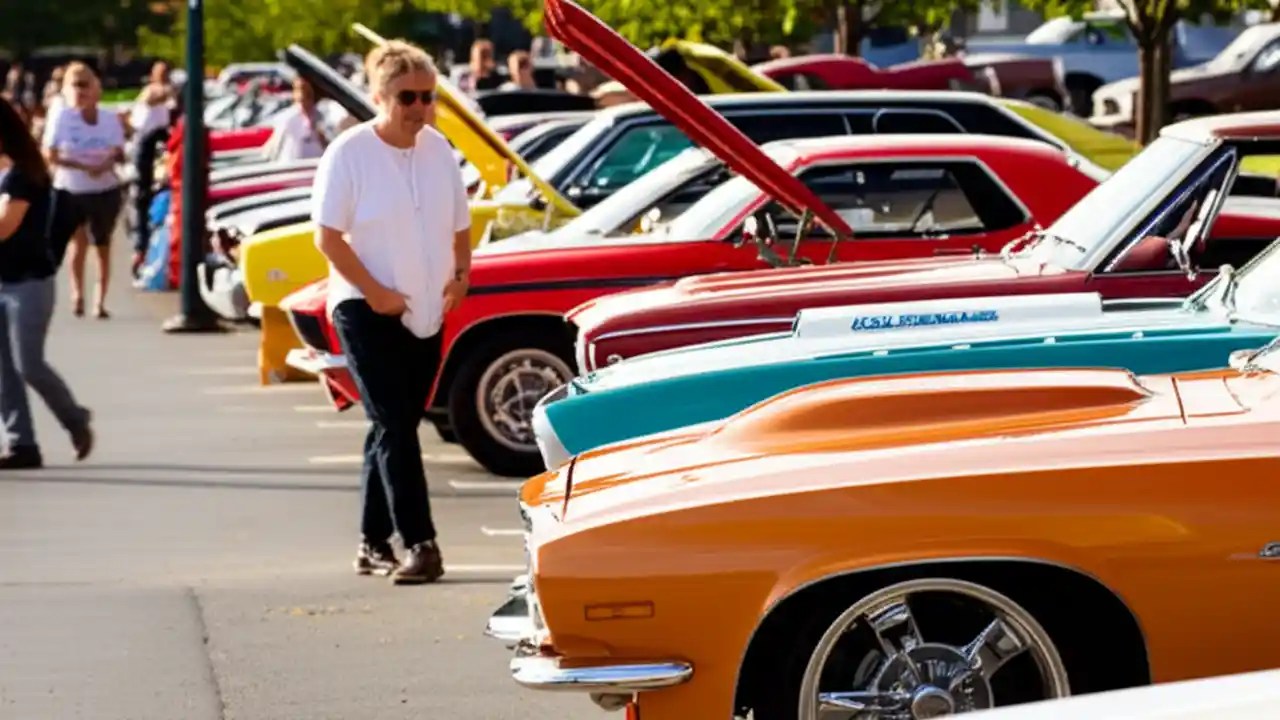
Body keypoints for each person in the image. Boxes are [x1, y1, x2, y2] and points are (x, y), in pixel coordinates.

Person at [311, 39, 471, 585]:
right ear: (380, 96)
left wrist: (461, 276)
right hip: (365, 307)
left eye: (429, 97)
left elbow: (460, 225)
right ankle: (420, 543)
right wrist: (375, 293)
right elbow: (328, 237)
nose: (421, 109)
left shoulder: (439, 150)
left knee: (392, 423)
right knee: (397, 426)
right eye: (409, 97)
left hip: (426, 309)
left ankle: (370, 540)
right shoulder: (350, 153)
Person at [0, 97, 95, 469]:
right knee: (3, 370)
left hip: (29, 282)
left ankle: (75, 418)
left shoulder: (24, 173)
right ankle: (22, 444)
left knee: (30, 364)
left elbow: (7, 225)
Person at [42, 62, 126, 319]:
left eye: (85, 84)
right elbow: (50, 154)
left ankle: (100, 301)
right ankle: (77, 294)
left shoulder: (109, 119)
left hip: (104, 189)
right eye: (75, 85)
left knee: (102, 243)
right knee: (76, 243)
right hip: (71, 188)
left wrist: (106, 164)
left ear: (96, 88)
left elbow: (119, 151)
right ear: (66, 89)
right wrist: (81, 165)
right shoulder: (62, 118)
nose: (81, 91)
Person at [260, 77, 329, 162]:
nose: (301, 96)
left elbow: (328, 144)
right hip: (291, 168)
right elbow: (271, 150)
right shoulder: (287, 118)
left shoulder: (323, 116)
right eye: (298, 90)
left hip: (315, 166)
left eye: (307, 93)